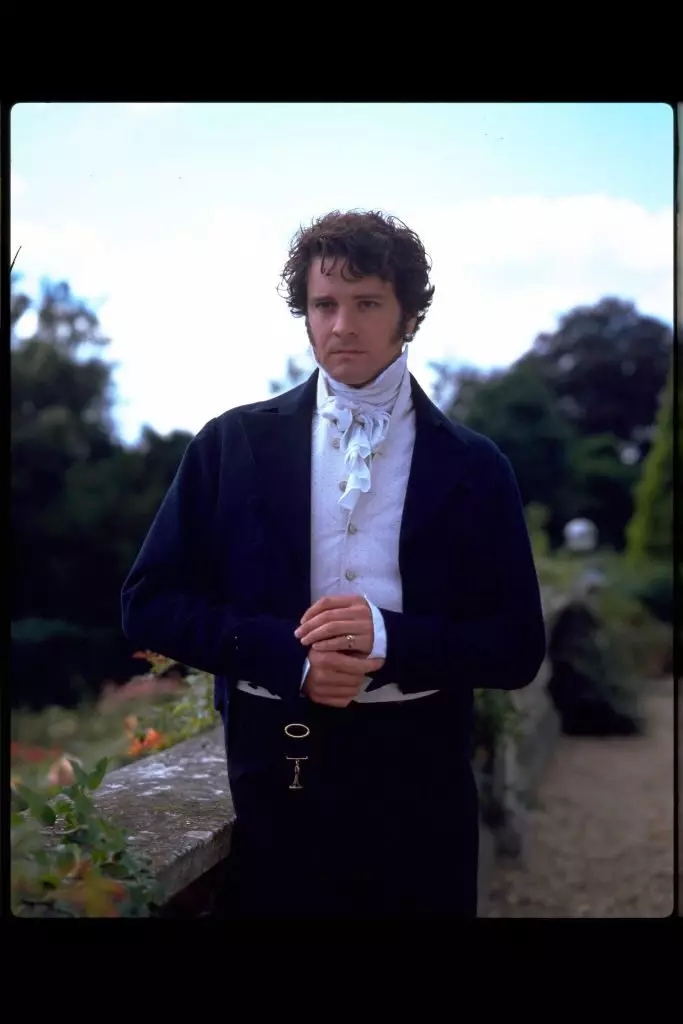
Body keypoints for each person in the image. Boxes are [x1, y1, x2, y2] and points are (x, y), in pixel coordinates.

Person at [121, 209, 546, 920]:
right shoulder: (230, 444)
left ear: (407, 317)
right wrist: (291, 660)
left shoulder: (475, 465)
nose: (341, 325)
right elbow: (149, 601)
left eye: (367, 303)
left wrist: (388, 641)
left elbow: (515, 646)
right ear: (305, 313)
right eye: (324, 304)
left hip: (423, 776)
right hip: (275, 770)